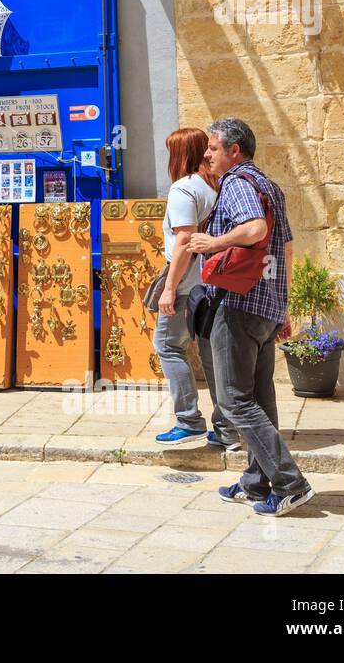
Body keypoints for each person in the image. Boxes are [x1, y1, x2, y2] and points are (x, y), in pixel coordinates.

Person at [181, 118, 312, 517]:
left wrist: (212, 241)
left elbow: (254, 229)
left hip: (238, 306)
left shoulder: (238, 183)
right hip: (265, 306)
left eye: (213, 147)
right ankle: (257, 482)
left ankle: (291, 483)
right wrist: (283, 307)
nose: (206, 154)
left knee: (235, 401)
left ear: (234, 150)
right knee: (260, 398)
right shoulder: (268, 185)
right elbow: (285, 248)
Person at [151, 128, 238, 450]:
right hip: (213, 284)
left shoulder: (184, 189)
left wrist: (170, 288)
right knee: (211, 354)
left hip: (189, 284)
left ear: (179, 154)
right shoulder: (215, 186)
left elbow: (184, 242)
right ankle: (227, 427)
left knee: (168, 345)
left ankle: (188, 421)